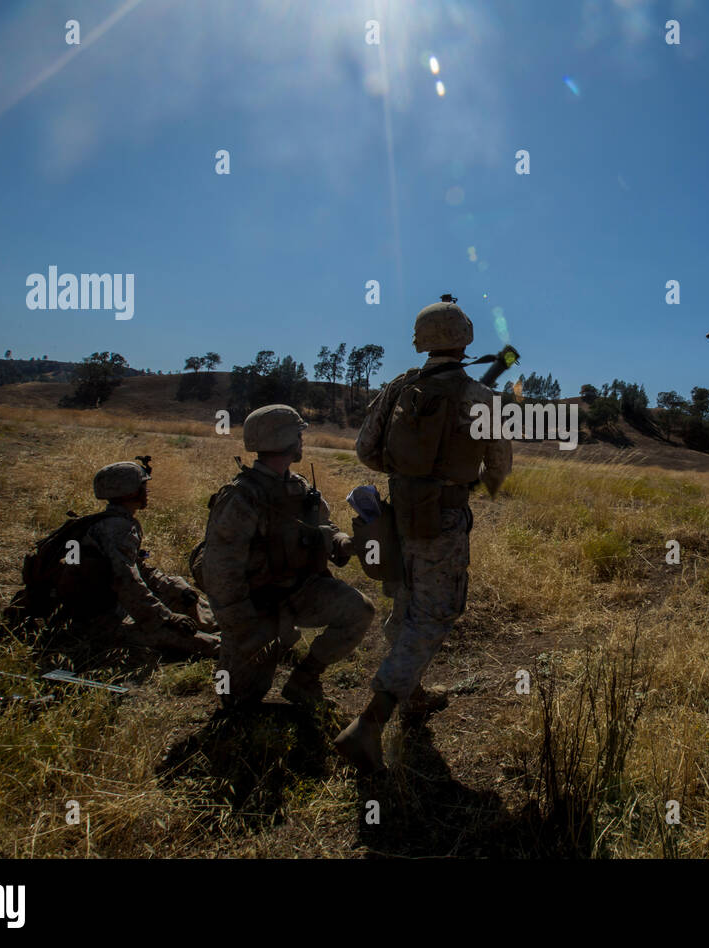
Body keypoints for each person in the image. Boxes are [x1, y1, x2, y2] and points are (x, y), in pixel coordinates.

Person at [336, 294, 512, 773]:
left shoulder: (399, 387)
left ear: (421, 340)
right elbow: (499, 466)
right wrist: (462, 479)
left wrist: (409, 473)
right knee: (433, 615)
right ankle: (369, 723)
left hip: (399, 514)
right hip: (444, 520)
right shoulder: (480, 396)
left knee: (406, 602)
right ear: (465, 339)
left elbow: (365, 450)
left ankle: (411, 695)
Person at [200, 404, 375, 711]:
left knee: (359, 610)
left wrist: (347, 543)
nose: (301, 441)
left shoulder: (300, 487)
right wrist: (240, 626)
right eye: (298, 434)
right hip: (256, 604)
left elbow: (325, 530)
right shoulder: (241, 496)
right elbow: (220, 568)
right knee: (237, 702)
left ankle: (305, 679)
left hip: (300, 591)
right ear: (284, 440)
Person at [60, 460, 220, 658]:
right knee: (212, 646)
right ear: (129, 492)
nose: (147, 492)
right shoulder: (118, 530)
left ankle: (222, 626)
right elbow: (128, 583)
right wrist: (167, 617)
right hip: (103, 622)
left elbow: (139, 570)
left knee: (179, 587)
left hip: (118, 608)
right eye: (143, 486)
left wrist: (175, 589)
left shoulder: (112, 523)